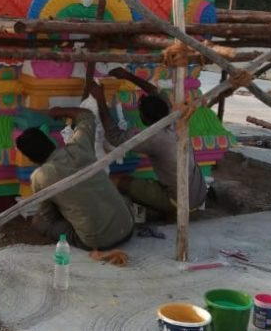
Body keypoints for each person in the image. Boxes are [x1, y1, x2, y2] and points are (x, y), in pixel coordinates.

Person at [88, 67, 207, 220]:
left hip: (182, 202)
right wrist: (128, 76)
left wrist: (100, 100)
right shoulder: (174, 116)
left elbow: (114, 136)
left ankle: (170, 211)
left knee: (115, 180)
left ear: (144, 118)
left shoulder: (154, 138)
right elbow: (157, 93)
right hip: (199, 192)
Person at [15, 107, 134, 250]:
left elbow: (48, 215)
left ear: (30, 158)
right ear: (50, 141)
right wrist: (61, 111)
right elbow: (87, 116)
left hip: (98, 241)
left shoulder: (39, 177)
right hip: (127, 226)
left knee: (39, 222)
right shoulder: (79, 147)